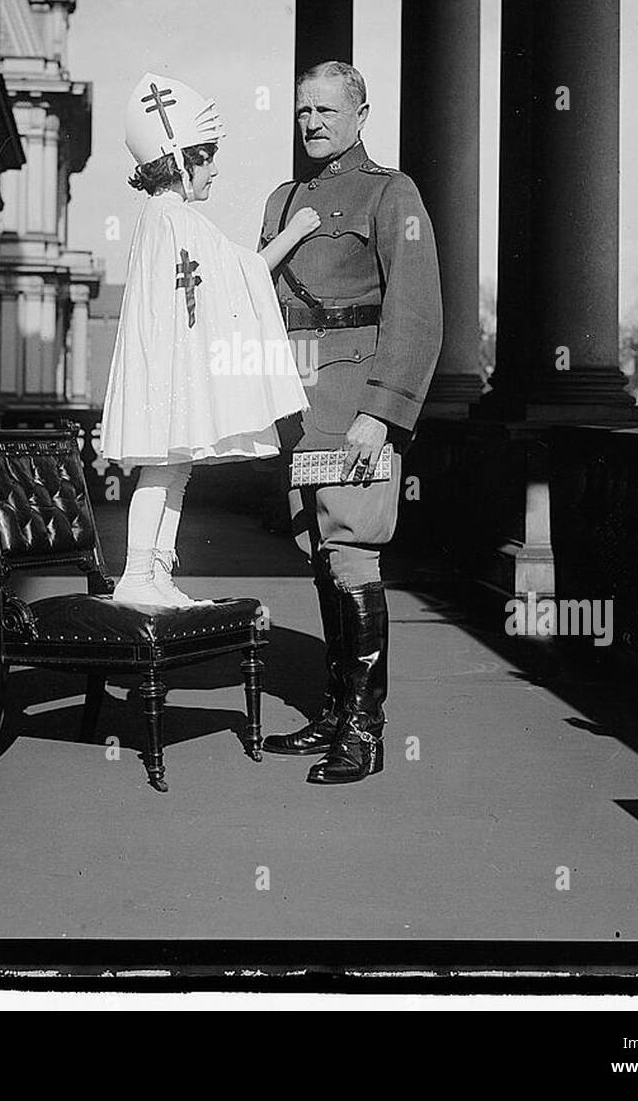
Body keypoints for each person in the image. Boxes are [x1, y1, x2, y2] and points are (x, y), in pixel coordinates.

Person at [258, 61, 443, 784]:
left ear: (361, 114)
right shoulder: (280, 201)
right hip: (299, 409)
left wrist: (383, 412)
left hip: (355, 402)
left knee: (354, 555)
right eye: (303, 110)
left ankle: (364, 733)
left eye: (327, 111)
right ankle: (334, 714)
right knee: (322, 557)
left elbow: (417, 311)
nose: (312, 123)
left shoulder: (391, 193)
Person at [100, 72, 318, 608]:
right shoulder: (174, 218)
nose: (215, 168)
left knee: (175, 468)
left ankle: (156, 573)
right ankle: (135, 576)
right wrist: (294, 233)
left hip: (167, 370)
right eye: (206, 157)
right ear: (180, 161)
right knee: (163, 470)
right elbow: (244, 273)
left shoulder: (164, 217)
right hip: (168, 375)